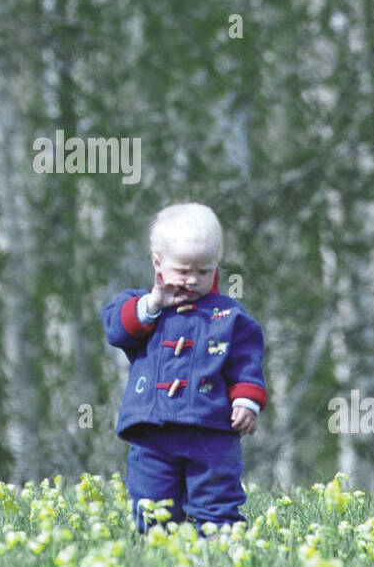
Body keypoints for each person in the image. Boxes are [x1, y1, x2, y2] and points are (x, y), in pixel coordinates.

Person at [101, 202, 267, 534]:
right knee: (152, 504)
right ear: (158, 263)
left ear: (217, 266)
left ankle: (220, 546)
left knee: (217, 500)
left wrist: (246, 402)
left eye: (204, 271)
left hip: (212, 430)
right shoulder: (142, 306)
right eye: (182, 271)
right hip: (153, 432)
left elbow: (246, 362)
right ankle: (159, 554)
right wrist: (152, 304)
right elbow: (116, 330)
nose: (192, 280)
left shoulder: (229, 315)